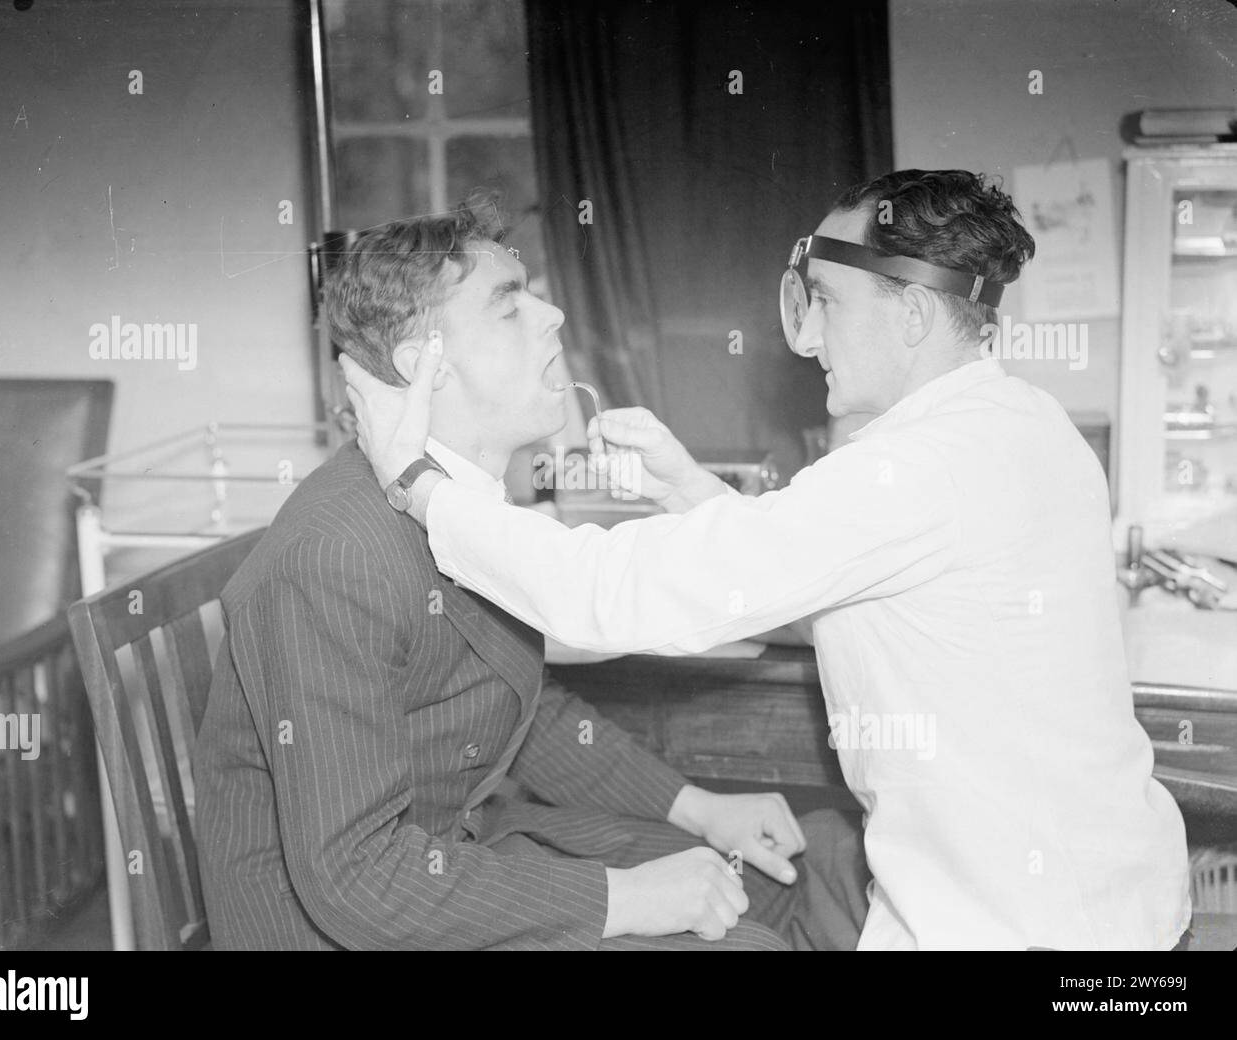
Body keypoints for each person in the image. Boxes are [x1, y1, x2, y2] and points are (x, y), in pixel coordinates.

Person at [341, 171, 1193, 951]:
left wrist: (422, 484)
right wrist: (688, 486)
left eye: (825, 301)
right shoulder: (1023, 424)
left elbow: (602, 591)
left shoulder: (918, 469)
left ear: (912, 314)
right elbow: (840, 579)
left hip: (1021, 928)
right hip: (1099, 903)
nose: (810, 333)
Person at [193, 192, 870, 951]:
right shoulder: (338, 552)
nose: (551, 318)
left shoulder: (459, 510)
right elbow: (355, 877)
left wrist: (699, 809)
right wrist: (622, 898)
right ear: (425, 366)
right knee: (748, 944)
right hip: (345, 921)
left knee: (788, 879)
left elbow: (521, 707)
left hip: (448, 854)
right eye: (510, 307)